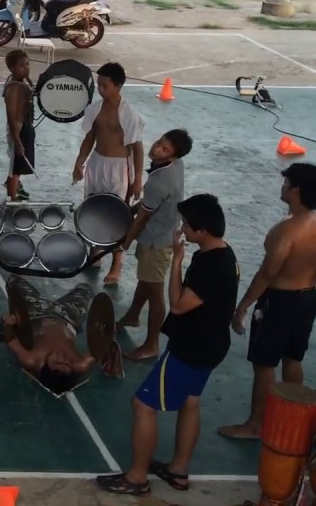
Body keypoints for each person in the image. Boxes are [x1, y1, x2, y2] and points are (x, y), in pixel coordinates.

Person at [97, 194, 239, 495]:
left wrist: (176, 260)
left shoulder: (211, 265)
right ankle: (178, 470)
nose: (183, 230)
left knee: (144, 405)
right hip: (213, 344)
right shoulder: (222, 253)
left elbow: (177, 305)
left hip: (192, 348)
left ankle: (136, 478)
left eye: (186, 225)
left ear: (202, 230)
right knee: (190, 402)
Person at [219, 163, 316, 440]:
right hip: (308, 296)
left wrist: (242, 307)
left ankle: (257, 424)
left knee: (264, 364)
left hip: (280, 301)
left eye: (286, 183)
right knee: (293, 357)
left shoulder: (287, 231)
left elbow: (267, 273)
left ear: (295, 190)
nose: (282, 186)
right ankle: (295, 419)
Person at [118, 130, 193, 358]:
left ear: (172, 155)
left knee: (155, 290)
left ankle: (151, 345)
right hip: (164, 231)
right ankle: (132, 315)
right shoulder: (176, 165)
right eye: (160, 142)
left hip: (156, 241)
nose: (157, 148)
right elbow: (145, 208)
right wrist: (131, 208)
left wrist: (125, 242)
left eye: (165, 148)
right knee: (146, 280)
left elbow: (142, 219)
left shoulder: (158, 183)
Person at [73, 62, 145, 280]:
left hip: (119, 167)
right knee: (93, 206)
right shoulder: (95, 109)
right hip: (97, 163)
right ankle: (95, 251)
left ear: (118, 86)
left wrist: (138, 179)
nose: (101, 89)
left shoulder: (129, 114)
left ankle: (117, 263)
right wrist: (80, 161)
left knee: (118, 214)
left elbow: (137, 148)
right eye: (99, 85)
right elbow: (90, 138)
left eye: (105, 85)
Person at [0, 276, 99, 394]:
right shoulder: (79, 364)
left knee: (13, 281)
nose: (63, 357)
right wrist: (105, 331)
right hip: (68, 317)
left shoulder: (31, 359)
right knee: (86, 289)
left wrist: (8, 325)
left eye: (57, 361)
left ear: (45, 366)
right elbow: (101, 346)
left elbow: (9, 340)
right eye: (67, 363)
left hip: (36, 314)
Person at [2, 49, 35, 201]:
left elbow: (31, 89)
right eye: (22, 66)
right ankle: (12, 197)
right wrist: (18, 141)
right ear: (11, 68)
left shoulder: (20, 82)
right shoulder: (14, 88)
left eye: (28, 64)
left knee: (18, 166)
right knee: (16, 167)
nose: (26, 68)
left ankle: (13, 186)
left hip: (24, 127)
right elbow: (11, 116)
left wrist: (28, 77)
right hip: (19, 130)